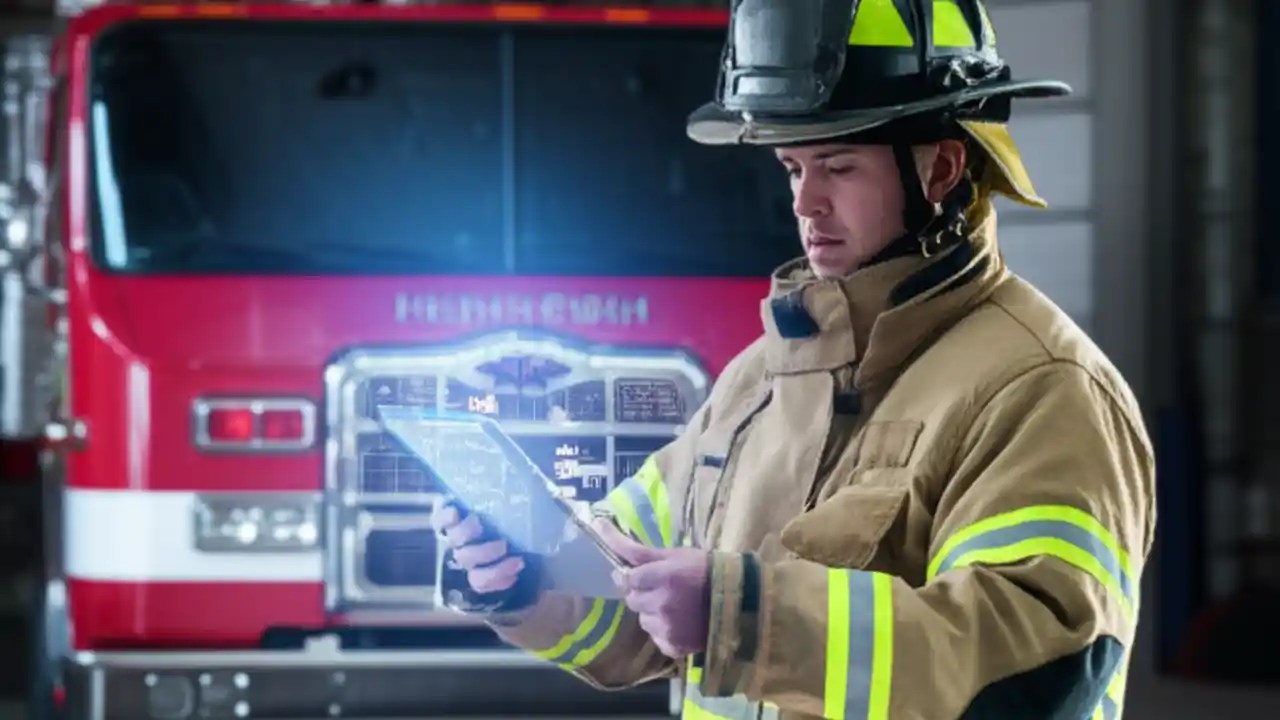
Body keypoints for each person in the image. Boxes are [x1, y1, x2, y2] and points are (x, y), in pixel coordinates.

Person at [432, 0, 1157, 717]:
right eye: (791, 167)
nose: (805, 202)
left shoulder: (1043, 390)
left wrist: (741, 620)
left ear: (940, 171)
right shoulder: (758, 380)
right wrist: (525, 577)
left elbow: (1034, 672)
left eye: (837, 167)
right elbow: (637, 598)